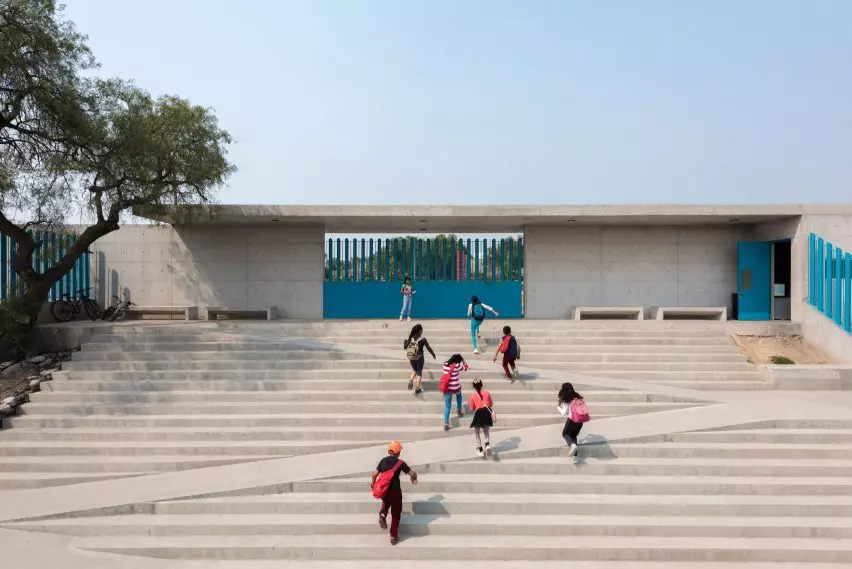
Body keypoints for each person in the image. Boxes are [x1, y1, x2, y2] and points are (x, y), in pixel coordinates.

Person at [372, 440, 418, 546]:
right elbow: (412, 473)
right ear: (398, 452)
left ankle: (382, 515)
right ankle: (393, 537)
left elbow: (374, 475)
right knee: (396, 515)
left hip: (385, 490)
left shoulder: (383, 460)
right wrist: (414, 478)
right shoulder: (400, 463)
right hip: (396, 492)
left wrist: (374, 486)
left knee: (385, 503)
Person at [558, 382, 586, 464]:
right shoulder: (577, 396)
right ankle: (575, 457)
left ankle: (572, 445)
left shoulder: (567, 399)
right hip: (580, 420)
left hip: (572, 420)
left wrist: (558, 407)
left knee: (565, 434)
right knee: (573, 436)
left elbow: (563, 412)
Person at [403, 324, 436, 395]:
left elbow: (405, 347)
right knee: (419, 372)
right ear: (420, 331)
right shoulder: (423, 339)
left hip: (411, 358)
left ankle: (411, 380)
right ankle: (417, 389)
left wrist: (405, 341)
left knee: (414, 370)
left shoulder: (411, 338)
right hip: (420, 358)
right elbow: (428, 348)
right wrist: (433, 354)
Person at [440, 353, 469, 431]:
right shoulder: (458, 365)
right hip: (455, 386)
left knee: (447, 406)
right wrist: (463, 361)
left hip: (446, 387)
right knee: (459, 395)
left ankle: (446, 423)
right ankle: (459, 411)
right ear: (458, 360)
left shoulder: (445, 364)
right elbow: (466, 368)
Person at [469, 379, 494, 458]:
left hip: (479, 413)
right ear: (482, 385)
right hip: (487, 412)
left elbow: (471, 408)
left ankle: (480, 449)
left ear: (474, 387)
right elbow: (490, 404)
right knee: (486, 429)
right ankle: (487, 444)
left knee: (477, 432)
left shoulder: (473, 396)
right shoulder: (487, 393)